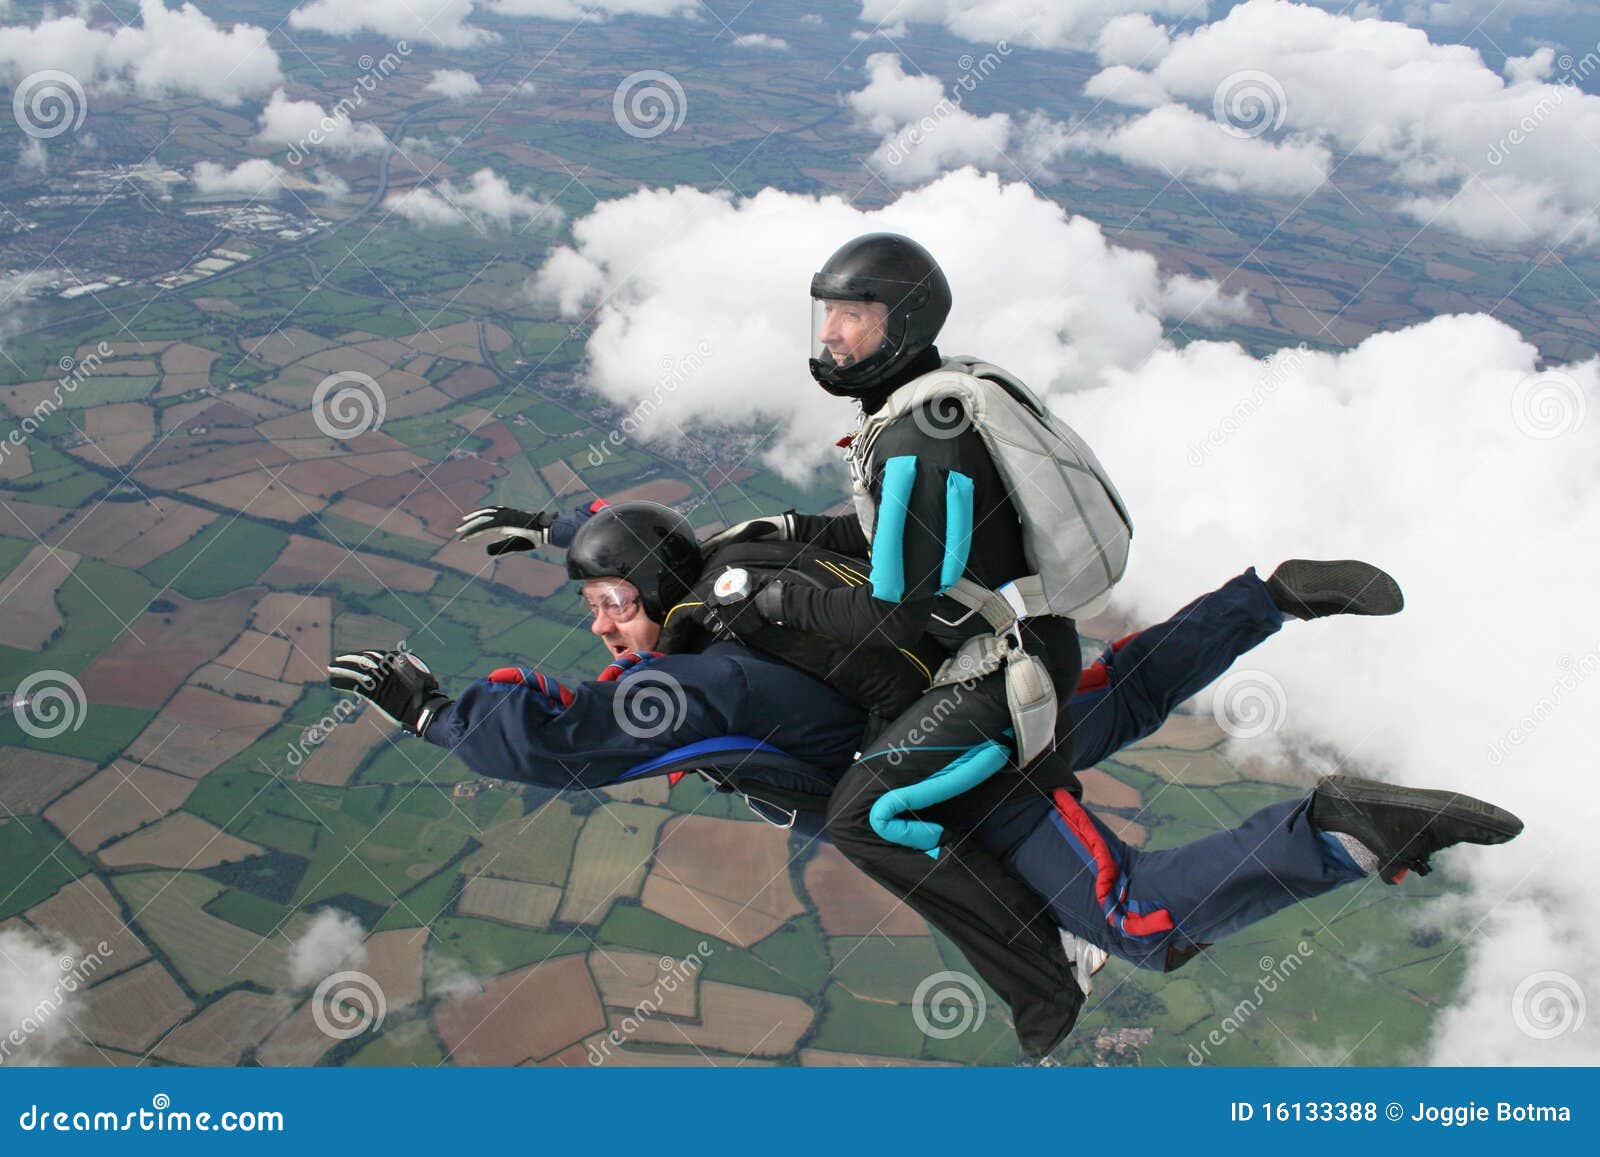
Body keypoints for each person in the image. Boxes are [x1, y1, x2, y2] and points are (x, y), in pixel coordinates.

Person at [331, 502, 1523, 1058]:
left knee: (1136, 920)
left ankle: (1339, 831)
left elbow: (566, 739)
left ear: (653, 592)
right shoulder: (740, 568)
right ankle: (1265, 592)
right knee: (1112, 697)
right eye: (590, 608)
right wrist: (564, 531)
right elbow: (663, 544)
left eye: (607, 606)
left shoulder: (702, 687)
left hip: (952, 778)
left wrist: (438, 712)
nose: (600, 629)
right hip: (976, 685)